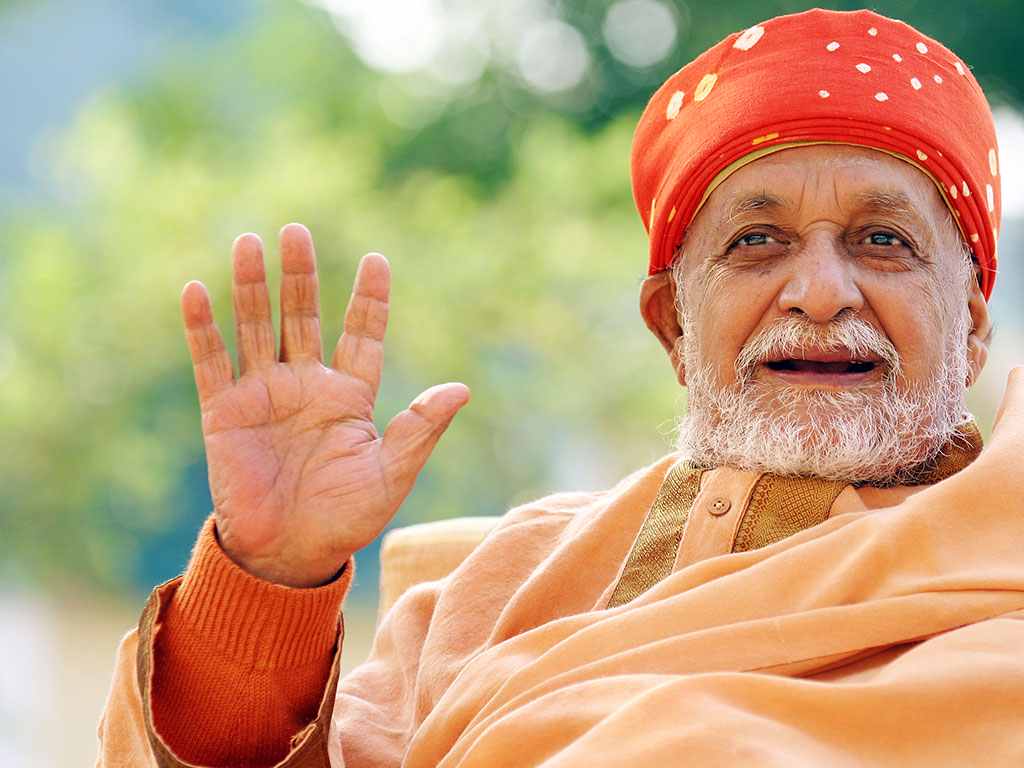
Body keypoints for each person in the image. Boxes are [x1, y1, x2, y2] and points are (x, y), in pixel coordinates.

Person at [97, 7, 1024, 767]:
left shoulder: (1002, 571)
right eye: (757, 242)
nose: (820, 293)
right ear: (672, 325)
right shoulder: (509, 577)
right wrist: (270, 581)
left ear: (973, 326)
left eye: (883, 241)